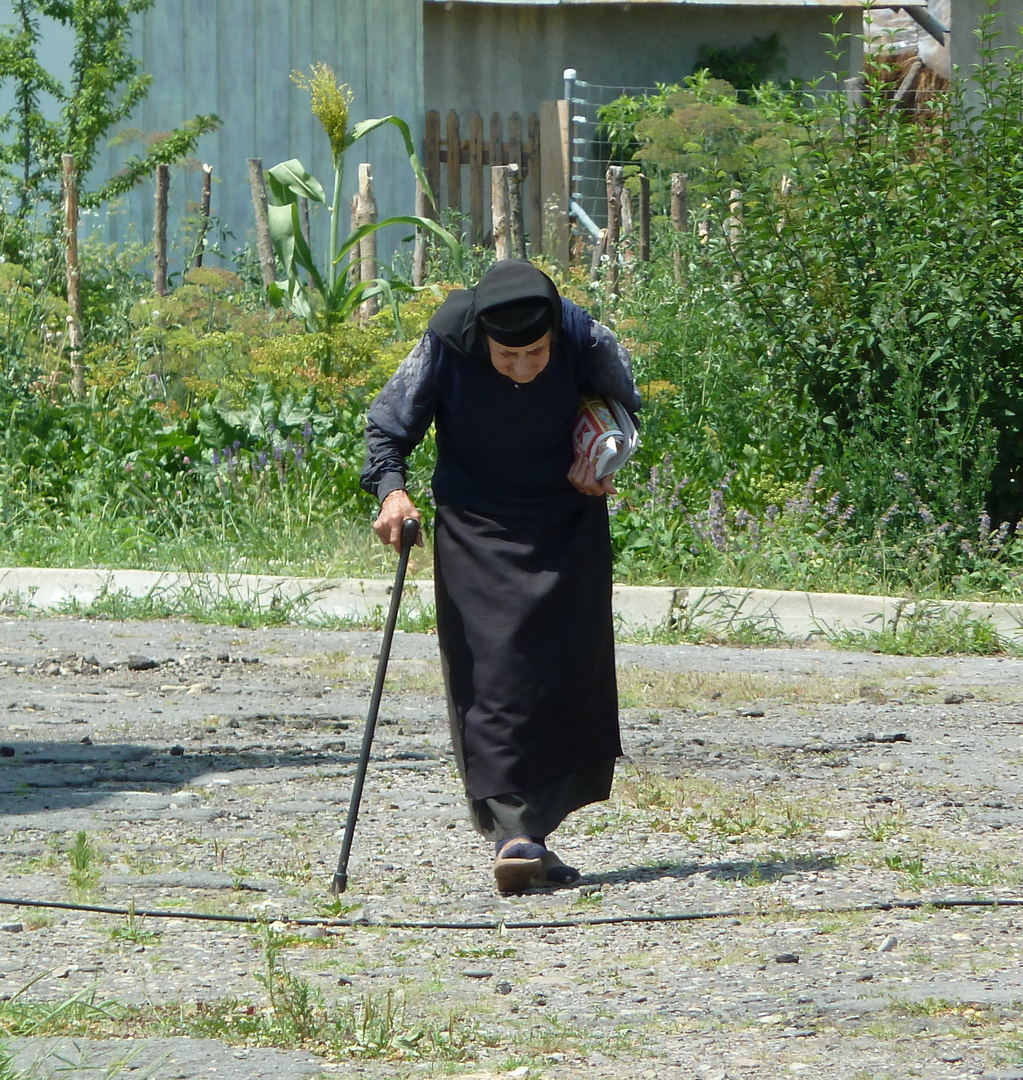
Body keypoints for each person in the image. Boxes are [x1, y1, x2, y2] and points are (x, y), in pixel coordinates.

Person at [360, 259, 640, 893]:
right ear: (481, 338)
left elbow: (625, 401)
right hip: (477, 523)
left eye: (535, 353)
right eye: (506, 356)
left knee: (564, 674)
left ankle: (533, 834)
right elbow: (389, 424)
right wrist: (391, 494)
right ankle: (513, 830)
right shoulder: (444, 341)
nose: (521, 366)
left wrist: (602, 452)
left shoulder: (582, 335)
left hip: (566, 518)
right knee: (493, 672)